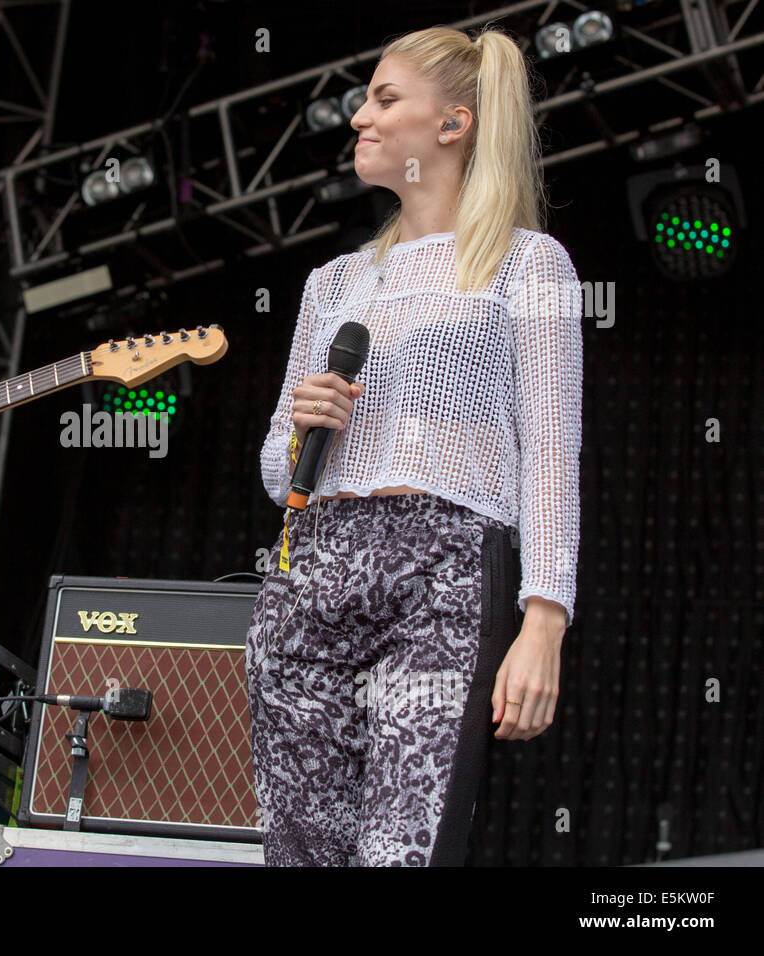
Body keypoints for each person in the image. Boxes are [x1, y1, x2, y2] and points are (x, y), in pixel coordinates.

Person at [245, 26, 583, 866]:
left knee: (402, 850)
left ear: (454, 124)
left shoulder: (526, 263)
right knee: (298, 853)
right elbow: (271, 471)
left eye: (385, 99)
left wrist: (544, 619)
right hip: (310, 572)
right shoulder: (334, 281)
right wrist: (301, 427)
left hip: (444, 572)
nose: (360, 117)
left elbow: (549, 451)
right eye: (365, 100)